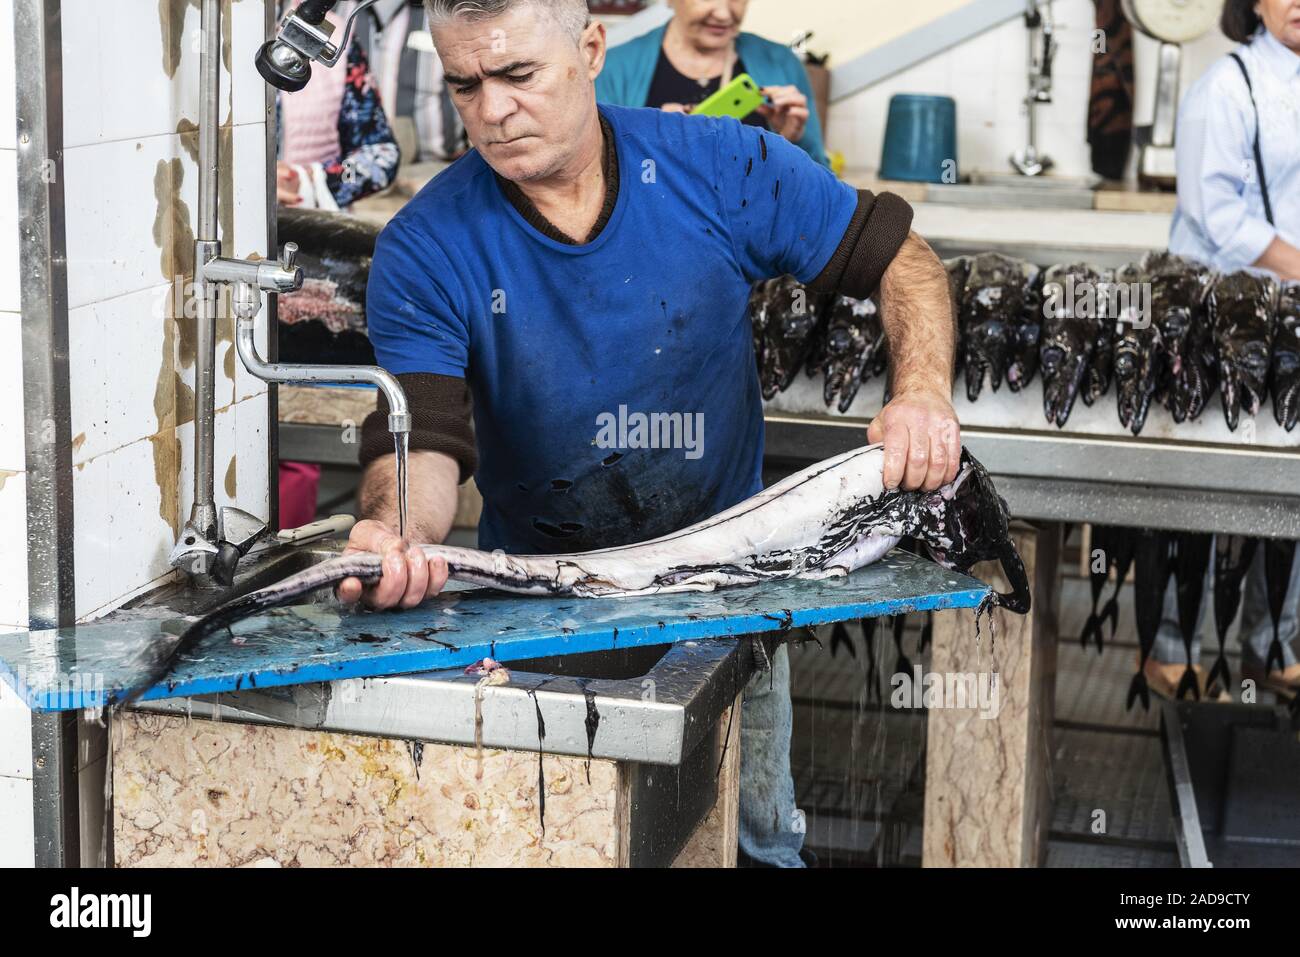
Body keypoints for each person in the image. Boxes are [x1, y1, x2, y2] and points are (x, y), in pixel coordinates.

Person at [345, 0, 960, 868]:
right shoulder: (426, 244)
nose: (491, 110)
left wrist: (923, 392)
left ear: (591, 50)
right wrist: (399, 534)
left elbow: (903, 258)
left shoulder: (719, 165)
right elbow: (424, 438)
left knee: (751, 839)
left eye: (518, 75)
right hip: (550, 613)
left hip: (731, 593)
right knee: (566, 845)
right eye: (464, 84)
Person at [1150, 0, 1300, 700]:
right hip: (1219, 316)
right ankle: (1173, 643)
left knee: (1288, 486)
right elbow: (1217, 211)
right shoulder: (1227, 87)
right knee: (1208, 490)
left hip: (1290, 320)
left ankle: (1273, 642)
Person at [596, 0, 828, 166]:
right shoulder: (612, 69)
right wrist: (653, 143)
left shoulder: (780, 63)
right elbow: (594, 181)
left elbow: (820, 180)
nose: (724, 14)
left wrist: (787, 141)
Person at [275, 4, 402, 210]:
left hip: (312, 226)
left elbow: (382, 154)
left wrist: (318, 179)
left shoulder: (332, 38)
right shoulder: (211, 33)